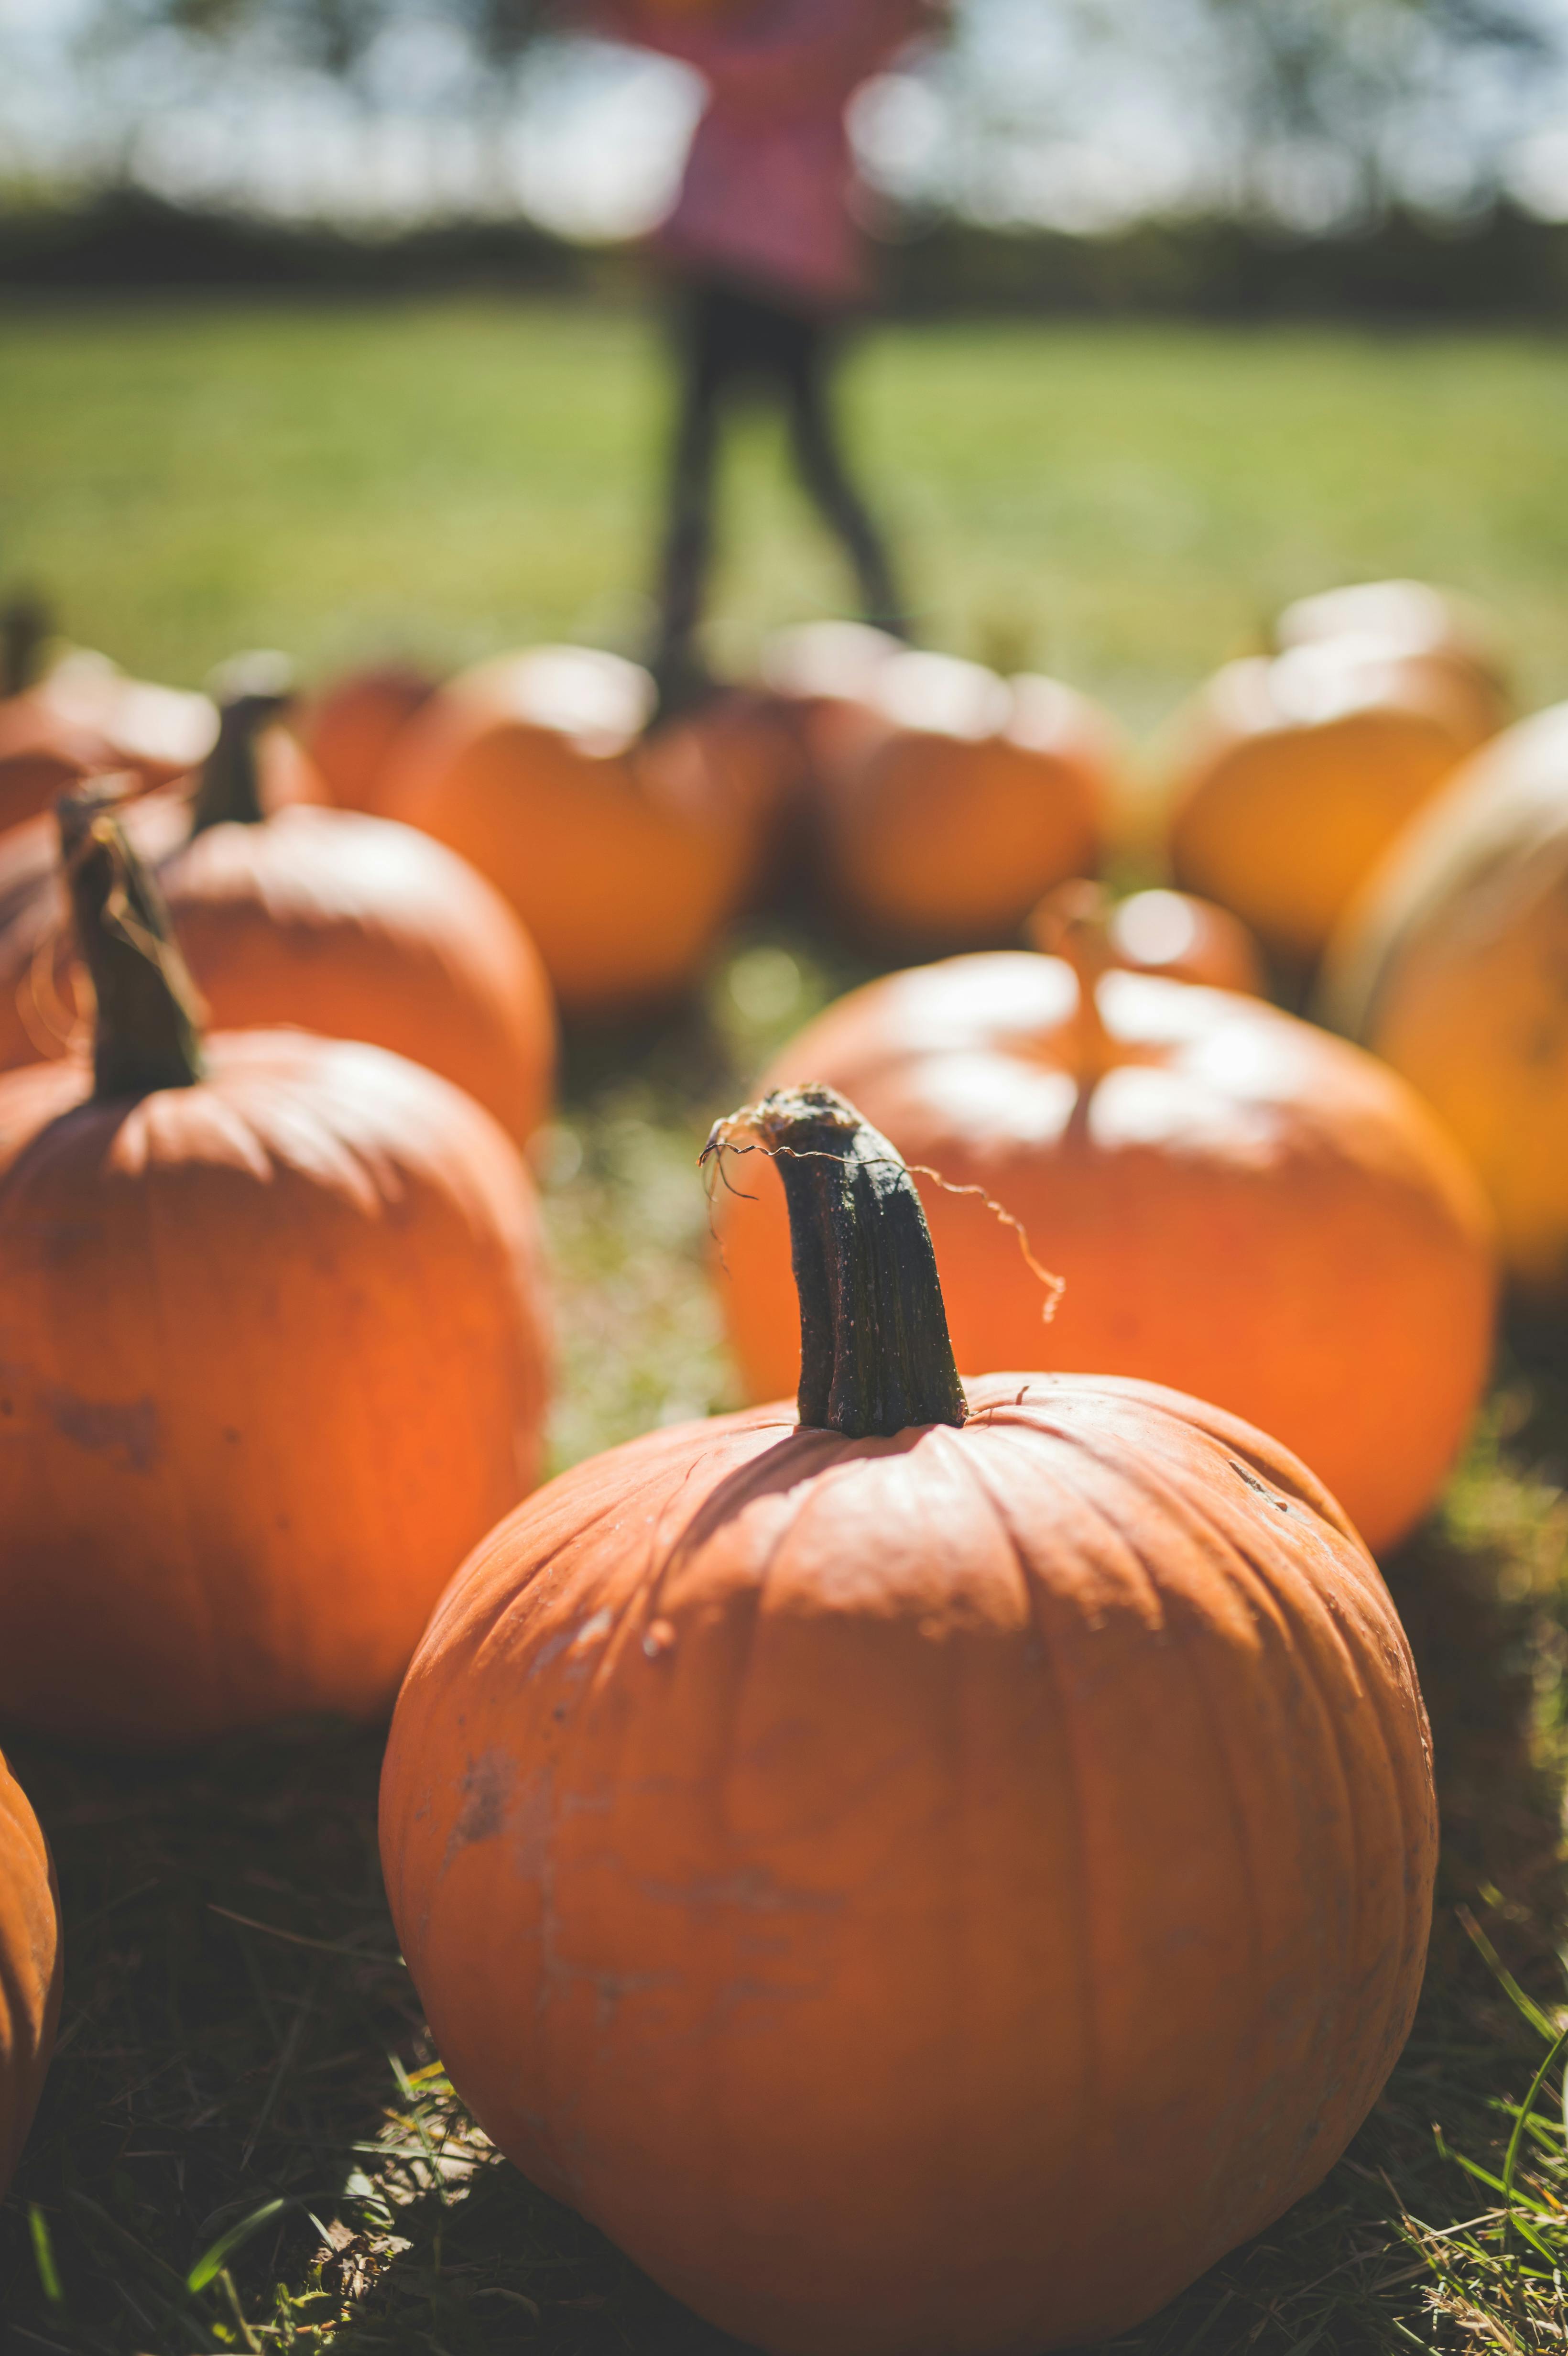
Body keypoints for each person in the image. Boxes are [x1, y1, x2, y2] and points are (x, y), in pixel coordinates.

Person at [592, 0, 937, 711]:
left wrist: (661, 29)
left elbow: (769, 68)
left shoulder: (845, 17)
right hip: (717, 263)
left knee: (816, 458)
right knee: (694, 458)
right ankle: (675, 624)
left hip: (794, 268)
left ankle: (891, 617)